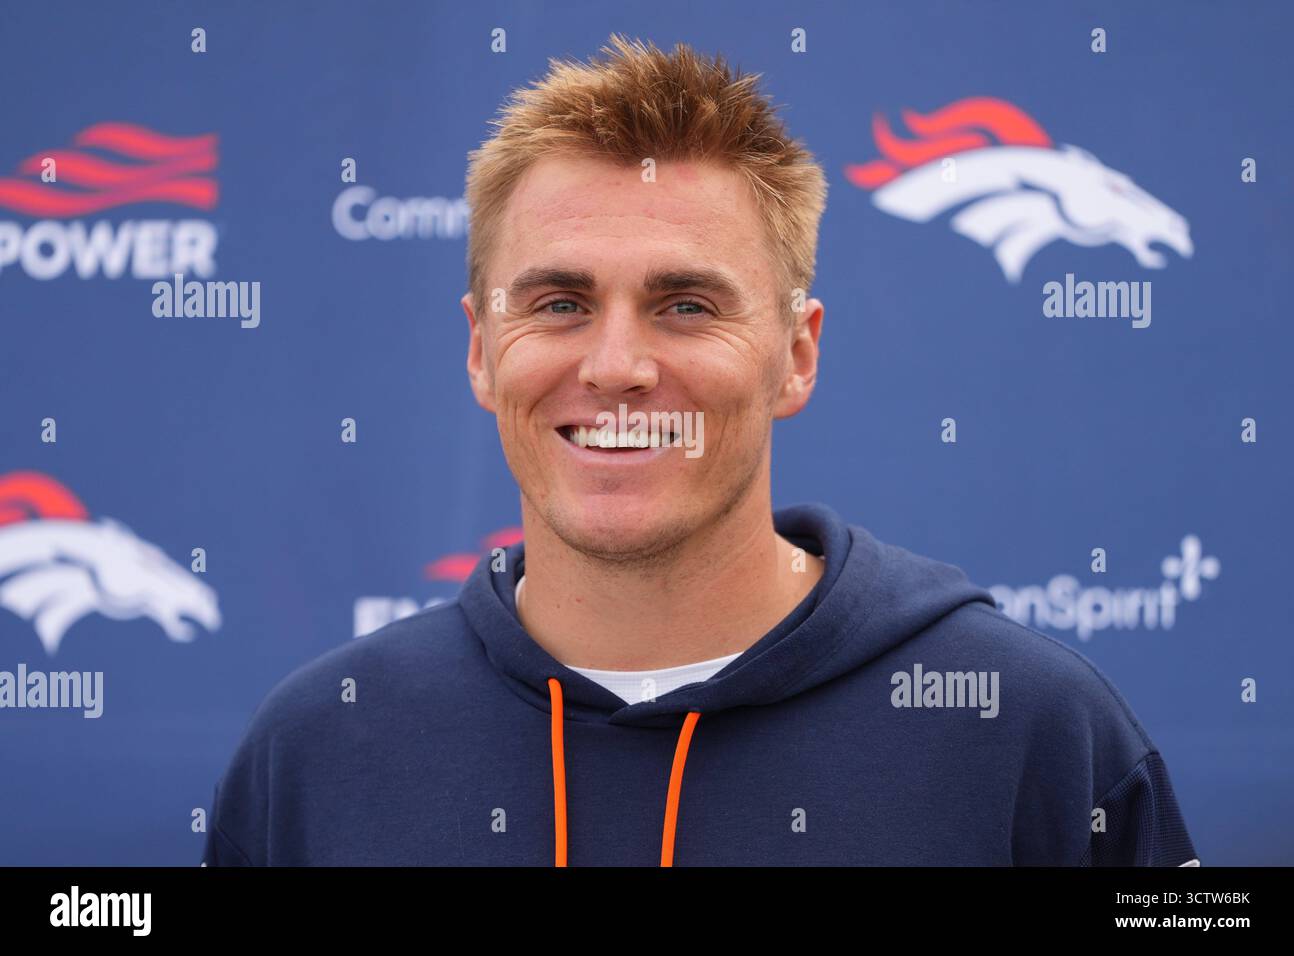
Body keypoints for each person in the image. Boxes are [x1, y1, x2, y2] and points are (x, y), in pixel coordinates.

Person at [202, 34, 1198, 866]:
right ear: (479, 350)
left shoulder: (1033, 731)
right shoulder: (320, 747)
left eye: (685, 305)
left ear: (795, 355)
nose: (617, 365)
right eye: (560, 303)